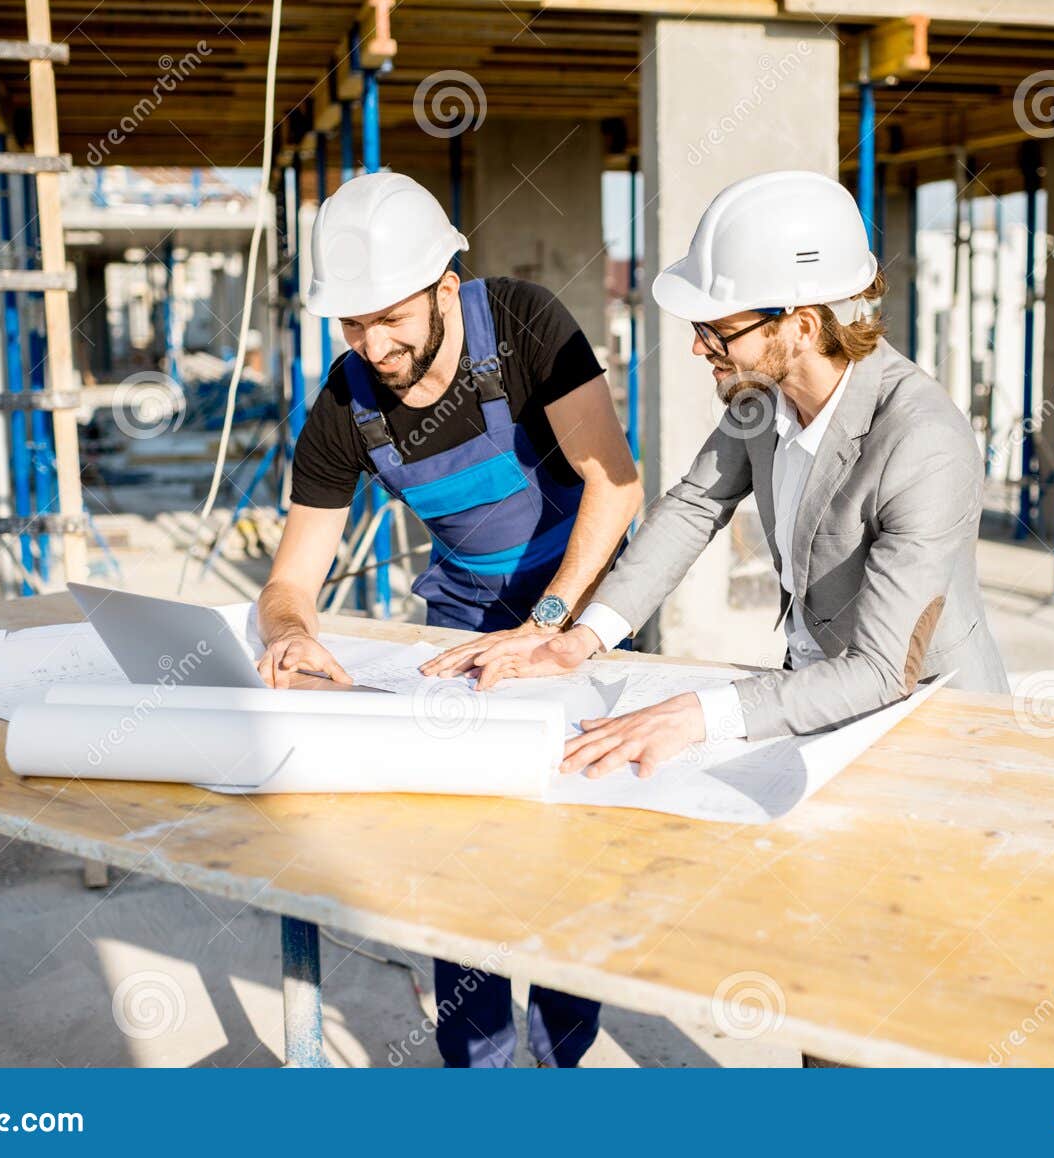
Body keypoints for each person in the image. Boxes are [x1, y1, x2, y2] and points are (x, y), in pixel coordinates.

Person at [429, 168, 1009, 777]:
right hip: (816, 706)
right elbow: (693, 506)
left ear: (802, 326)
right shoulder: (762, 396)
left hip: (934, 729)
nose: (699, 348)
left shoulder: (923, 445)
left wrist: (692, 716)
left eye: (718, 330)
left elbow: (881, 670)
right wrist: (582, 637)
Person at [254, 171, 641, 1067]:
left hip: (574, 608)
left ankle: (562, 1049)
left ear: (440, 285)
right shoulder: (346, 401)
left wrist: (547, 625)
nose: (372, 344)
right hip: (459, 621)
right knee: (455, 855)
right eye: (351, 324)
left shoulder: (526, 325)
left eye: (390, 317)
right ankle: (478, 1068)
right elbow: (289, 581)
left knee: (568, 842)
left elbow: (616, 485)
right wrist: (288, 634)